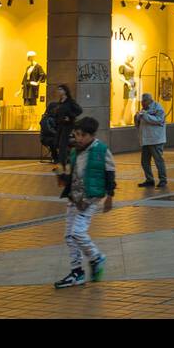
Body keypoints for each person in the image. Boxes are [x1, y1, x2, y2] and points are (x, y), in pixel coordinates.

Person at [53, 116, 116, 289]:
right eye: (76, 135)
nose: (78, 138)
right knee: (69, 236)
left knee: (78, 232)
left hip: (90, 198)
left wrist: (110, 195)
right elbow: (72, 175)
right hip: (74, 197)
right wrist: (62, 174)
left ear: (91, 135)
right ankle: (76, 272)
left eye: (81, 135)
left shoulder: (102, 150)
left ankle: (96, 257)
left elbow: (110, 173)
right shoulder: (75, 152)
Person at [42, 83, 82, 167]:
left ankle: (61, 165)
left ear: (65, 91)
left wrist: (70, 117)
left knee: (62, 145)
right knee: (57, 143)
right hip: (60, 125)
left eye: (60, 89)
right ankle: (65, 161)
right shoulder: (60, 102)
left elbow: (79, 110)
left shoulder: (70, 101)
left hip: (67, 125)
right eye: (58, 89)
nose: (58, 91)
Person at [134, 92, 168, 188]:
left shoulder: (158, 108)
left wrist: (145, 116)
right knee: (144, 161)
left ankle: (163, 180)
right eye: (141, 101)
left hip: (156, 140)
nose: (142, 103)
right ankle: (149, 179)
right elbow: (138, 124)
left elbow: (159, 120)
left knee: (158, 160)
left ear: (150, 100)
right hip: (145, 140)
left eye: (144, 101)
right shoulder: (143, 110)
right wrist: (137, 117)